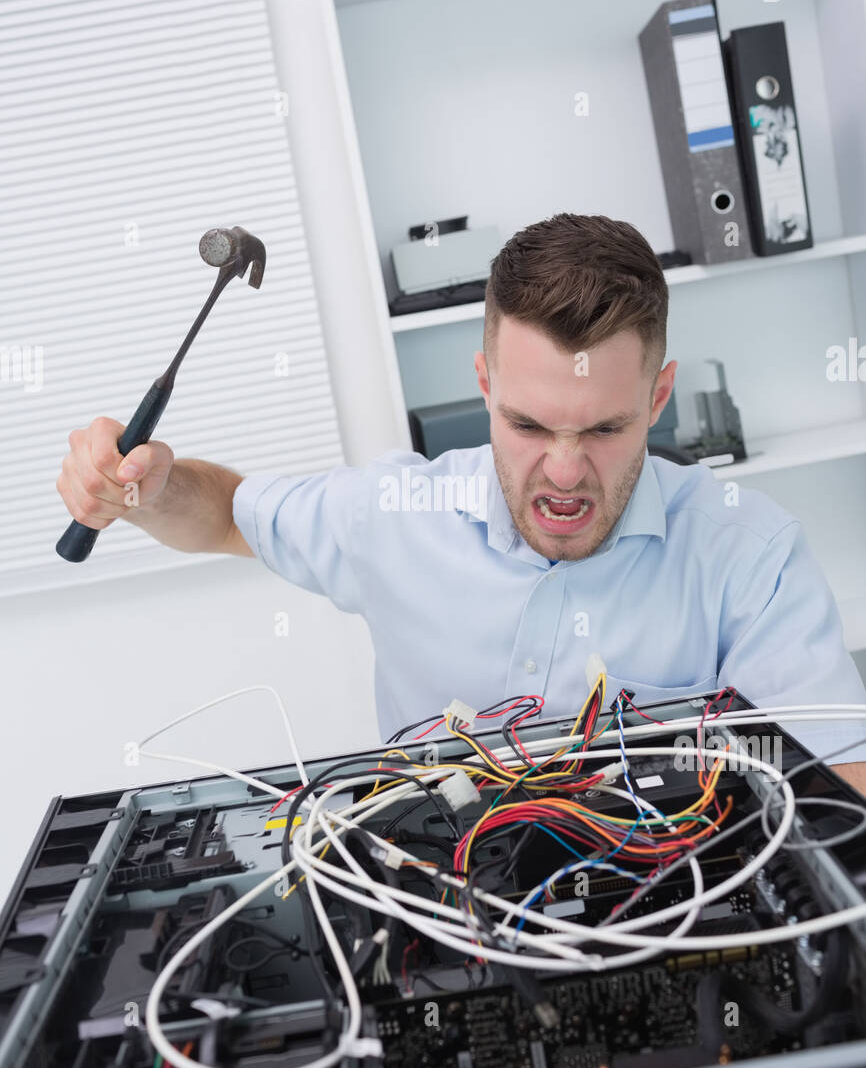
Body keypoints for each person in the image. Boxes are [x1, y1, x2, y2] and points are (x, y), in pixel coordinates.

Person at [57, 212, 866, 790]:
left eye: (604, 429)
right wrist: (148, 491)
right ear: (484, 387)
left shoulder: (748, 555)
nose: (563, 470)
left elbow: (843, 782)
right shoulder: (394, 514)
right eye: (527, 423)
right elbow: (228, 512)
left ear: (658, 401)